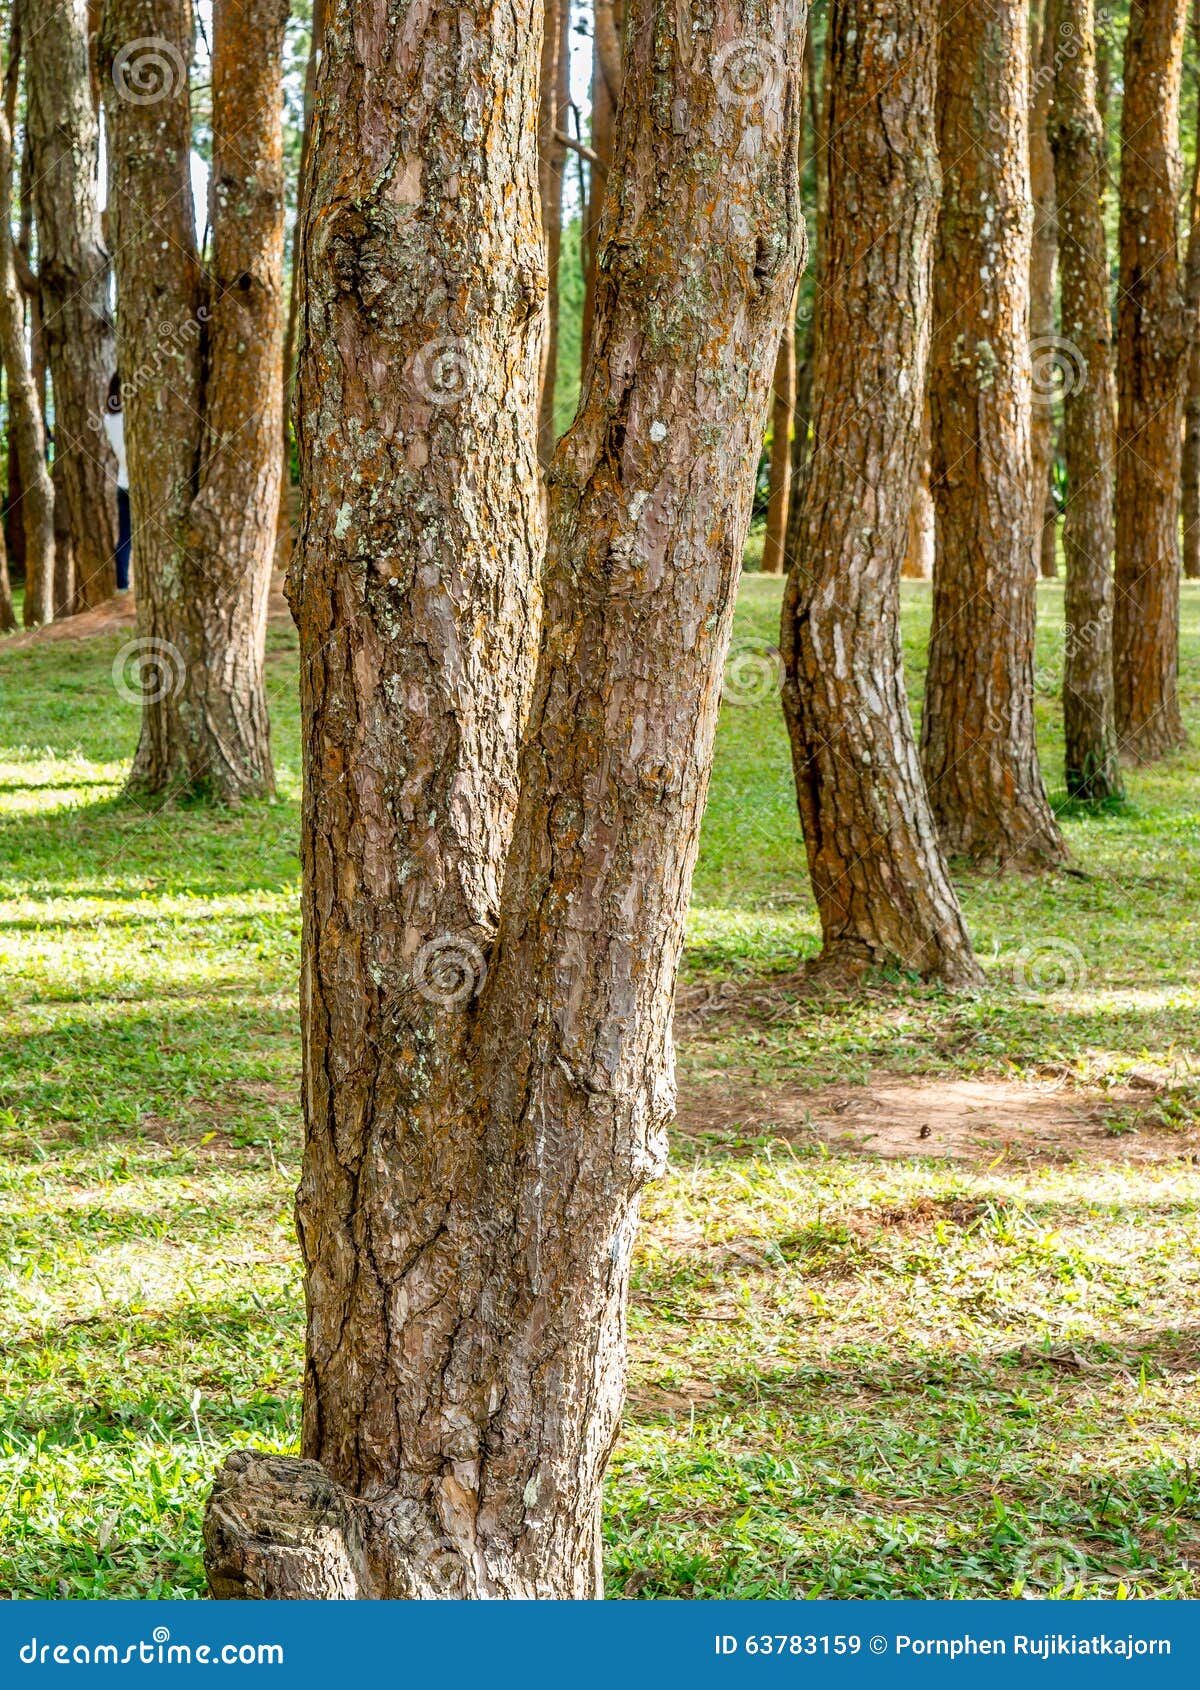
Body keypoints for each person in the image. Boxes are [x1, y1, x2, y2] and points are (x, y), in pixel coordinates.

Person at [103, 373, 131, 592]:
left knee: (125, 537)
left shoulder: (108, 418)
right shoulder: (131, 417)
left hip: (123, 482)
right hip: (135, 483)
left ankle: (122, 584)